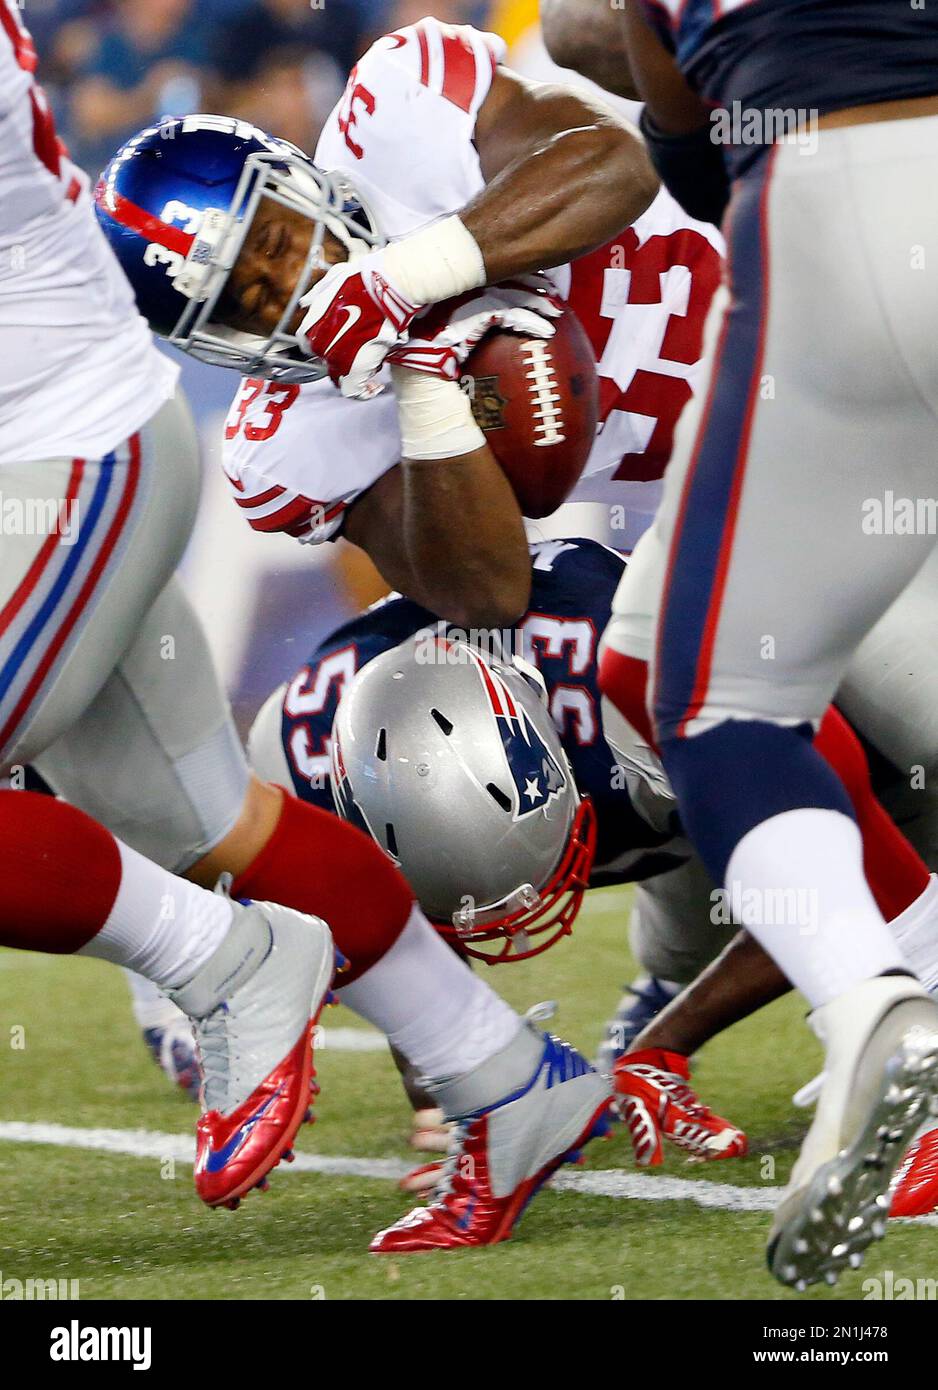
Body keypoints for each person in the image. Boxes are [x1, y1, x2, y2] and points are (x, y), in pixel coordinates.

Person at [0, 0, 614, 1251]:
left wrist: (413, 285)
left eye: (289, 246)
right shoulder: (279, 436)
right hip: (67, 444)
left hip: (58, 451)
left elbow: (614, 161)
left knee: (322, 742)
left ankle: (219, 960)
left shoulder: (402, 104)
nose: (296, 283)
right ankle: (500, 1071)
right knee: (211, 819)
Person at [595, 0, 938, 1287]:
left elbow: (684, 155)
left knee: (721, 701)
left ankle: (868, 1007)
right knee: (653, 665)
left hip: (842, 191)